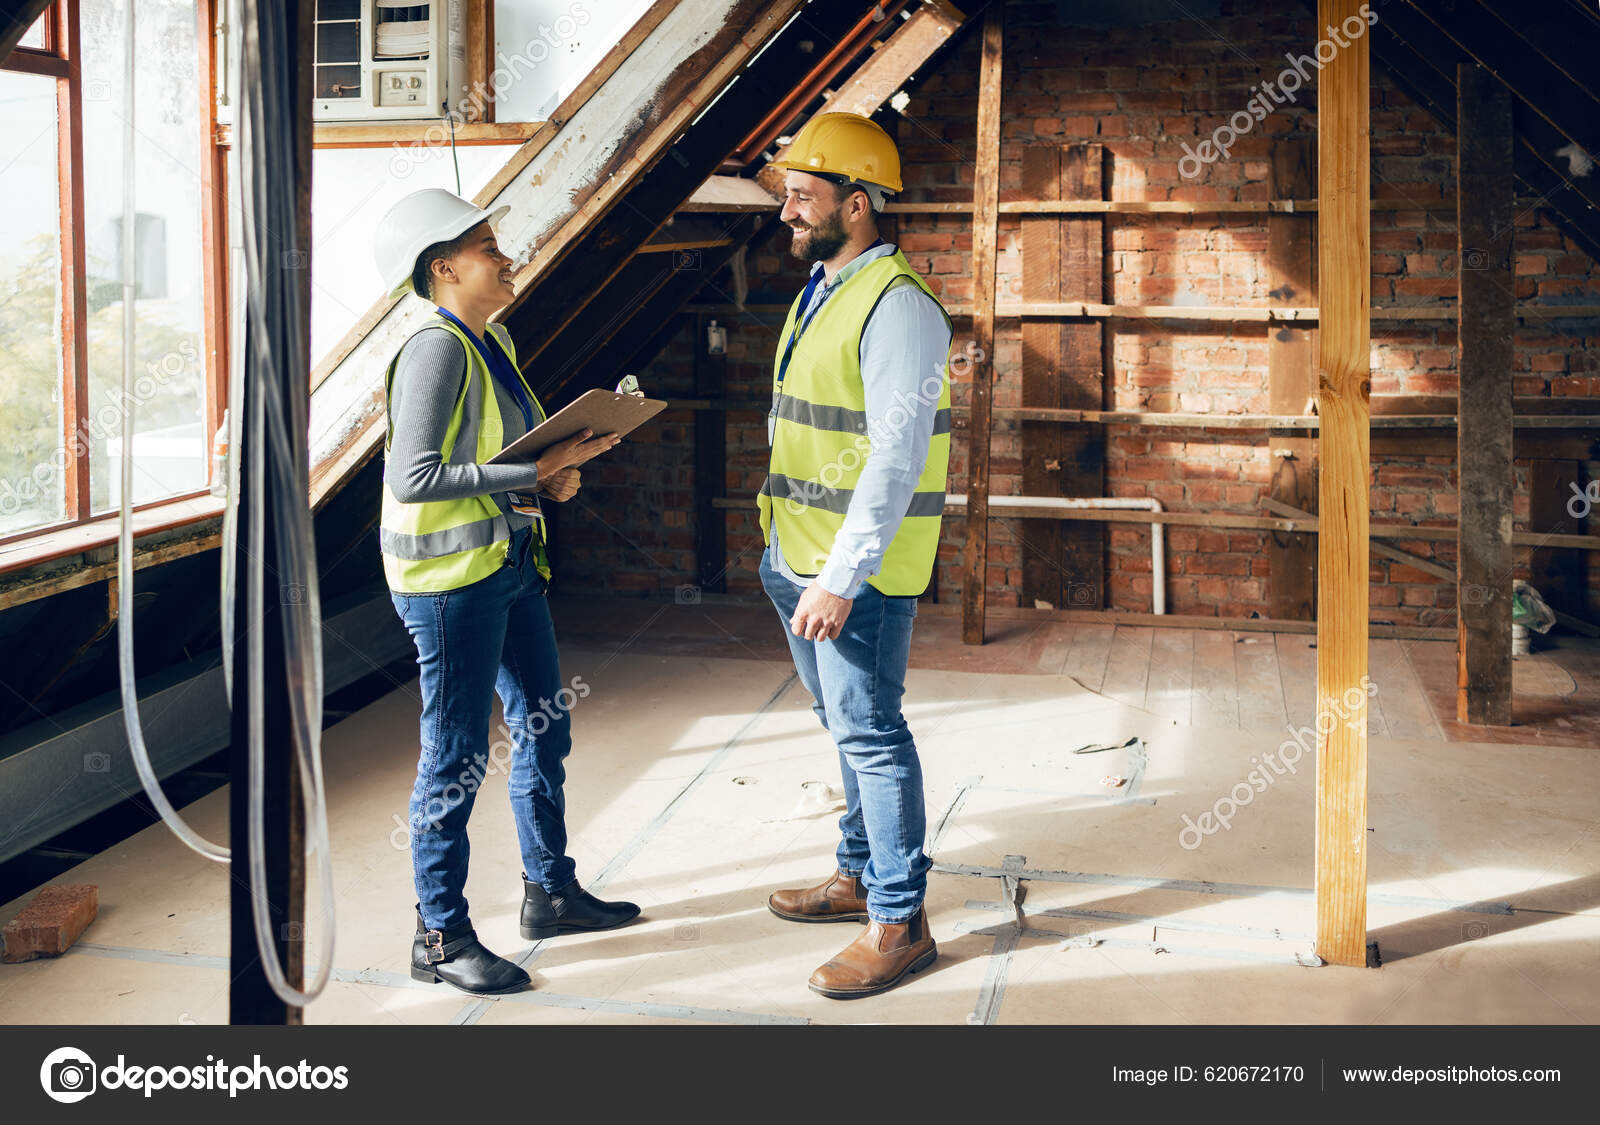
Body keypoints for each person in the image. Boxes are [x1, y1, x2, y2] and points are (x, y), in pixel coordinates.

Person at [372, 188, 640, 998]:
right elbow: (414, 478)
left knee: (541, 728)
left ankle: (550, 892)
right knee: (453, 758)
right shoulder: (436, 349)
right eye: (488, 246)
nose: (506, 253)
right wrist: (536, 473)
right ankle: (439, 934)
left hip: (508, 563)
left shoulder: (493, 339)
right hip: (449, 586)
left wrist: (543, 485)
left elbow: (494, 456)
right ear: (444, 267)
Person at [757, 114, 953, 999]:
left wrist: (841, 576)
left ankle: (899, 918)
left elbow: (894, 454)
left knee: (871, 733)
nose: (787, 213)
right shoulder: (824, 288)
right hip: (794, 555)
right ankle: (856, 872)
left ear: (859, 205)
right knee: (843, 724)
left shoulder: (899, 306)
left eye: (804, 198)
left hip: (852, 574)